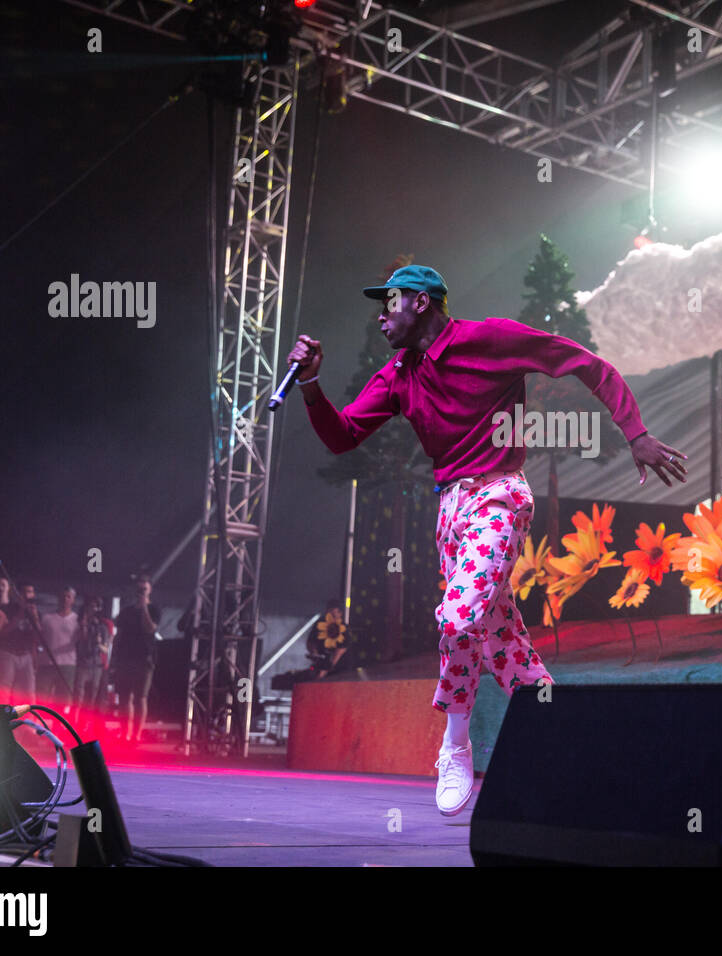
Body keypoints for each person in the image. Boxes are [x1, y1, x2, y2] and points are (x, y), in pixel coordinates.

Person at [289, 264, 687, 815]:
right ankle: (572, 744)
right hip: (451, 511)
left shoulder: (489, 339)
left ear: (422, 303)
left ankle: (454, 745)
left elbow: (586, 363)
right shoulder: (398, 375)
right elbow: (343, 436)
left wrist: (635, 432)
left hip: (499, 495)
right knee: (502, 641)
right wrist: (309, 384)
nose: (382, 314)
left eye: (391, 302)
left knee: (457, 618)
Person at [113, 576, 160, 743]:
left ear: (149, 591)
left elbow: (150, 629)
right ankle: (125, 731)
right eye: (139, 590)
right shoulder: (126, 611)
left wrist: (144, 608)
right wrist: (114, 659)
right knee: (124, 697)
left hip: (144, 659)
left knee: (141, 697)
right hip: (125, 658)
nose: (141, 593)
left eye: (144, 590)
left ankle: (136, 734)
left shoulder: (154, 609)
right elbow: (118, 635)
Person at [0, 576, 41, 705]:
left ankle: (28, 720)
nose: (27, 595)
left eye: (30, 592)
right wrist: (20, 615)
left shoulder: (34, 610)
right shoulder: (10, 608)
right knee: (4, 690)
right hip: (8, 653)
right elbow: (2, 632)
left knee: (28, 692)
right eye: (24, 592)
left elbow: (38, 636)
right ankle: (3, 719)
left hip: (26, 654)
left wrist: (35, 618)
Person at [38, 586, 80, 711]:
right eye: (63, 596)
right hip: (46, 663)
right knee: (42, 698)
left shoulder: (77, 620)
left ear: (73, 600)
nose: (65, 599)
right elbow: (38, 639)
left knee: (63, 700)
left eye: (68, 597)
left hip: (67, 665)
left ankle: (59, 727)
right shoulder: (46, 618)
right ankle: (40, 726)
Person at [73, 595, 113, 723]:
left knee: (92, 698)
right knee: (78, 697)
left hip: (97, 665)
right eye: (91, 606)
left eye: (95, 606)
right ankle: (74, 722)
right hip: (82, 664)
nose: (93, 609)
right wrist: (84, 625)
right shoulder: (79, 623)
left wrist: (99, 643)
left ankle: (86, 724)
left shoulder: (103, 626)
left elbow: (106, 649)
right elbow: (78, 640)